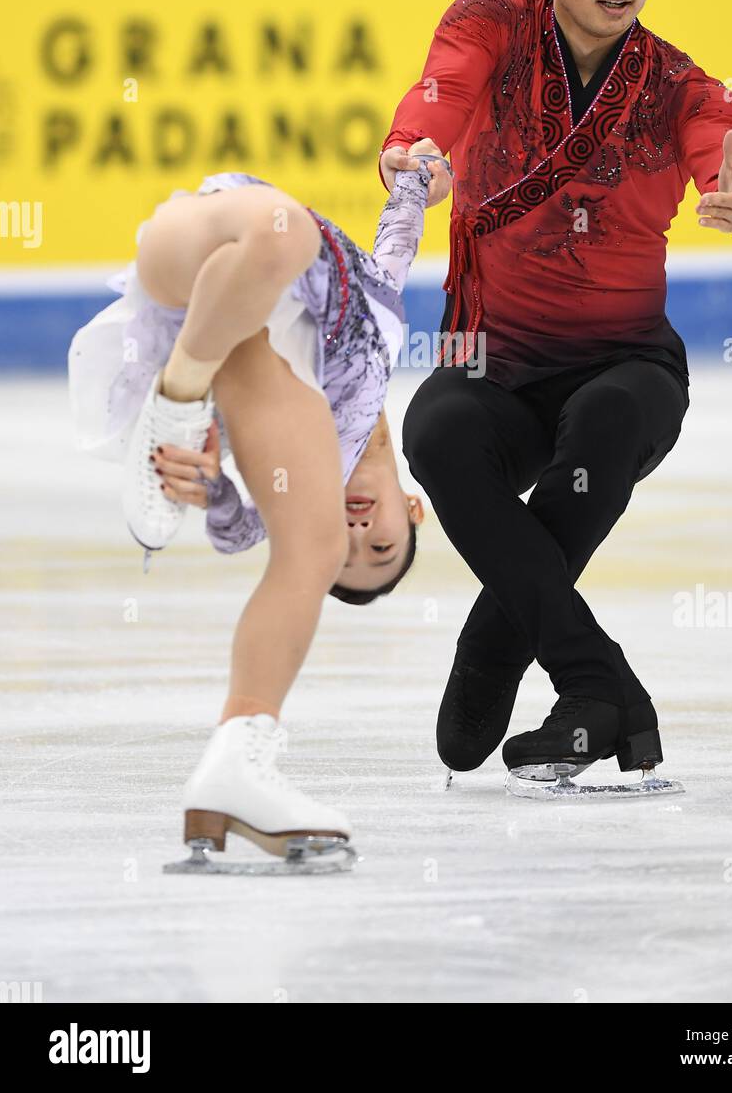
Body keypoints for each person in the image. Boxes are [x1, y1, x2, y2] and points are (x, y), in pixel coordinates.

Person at [377, 0, 732, 788]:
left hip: (626, 368)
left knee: (602, 422)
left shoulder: (681, 85)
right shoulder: (490, 25)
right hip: (496, 364)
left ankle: (504, 651)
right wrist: (412, 152)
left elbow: (724, 145)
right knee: (436, 427)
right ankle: (606, 694)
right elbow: (441, 93)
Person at [67, 152, 449, 865]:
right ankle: (179, 395)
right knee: (285, 234)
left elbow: (243, 529)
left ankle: (237, 762)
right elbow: (395, 244)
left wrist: (211, 485)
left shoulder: (306, 459)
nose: (359, 532)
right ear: (413, 509)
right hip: (229, 240)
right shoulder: (379, 348)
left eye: (352, 551)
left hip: (226, 331)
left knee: (309, 546)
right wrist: (417, 180)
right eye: (383, 546)